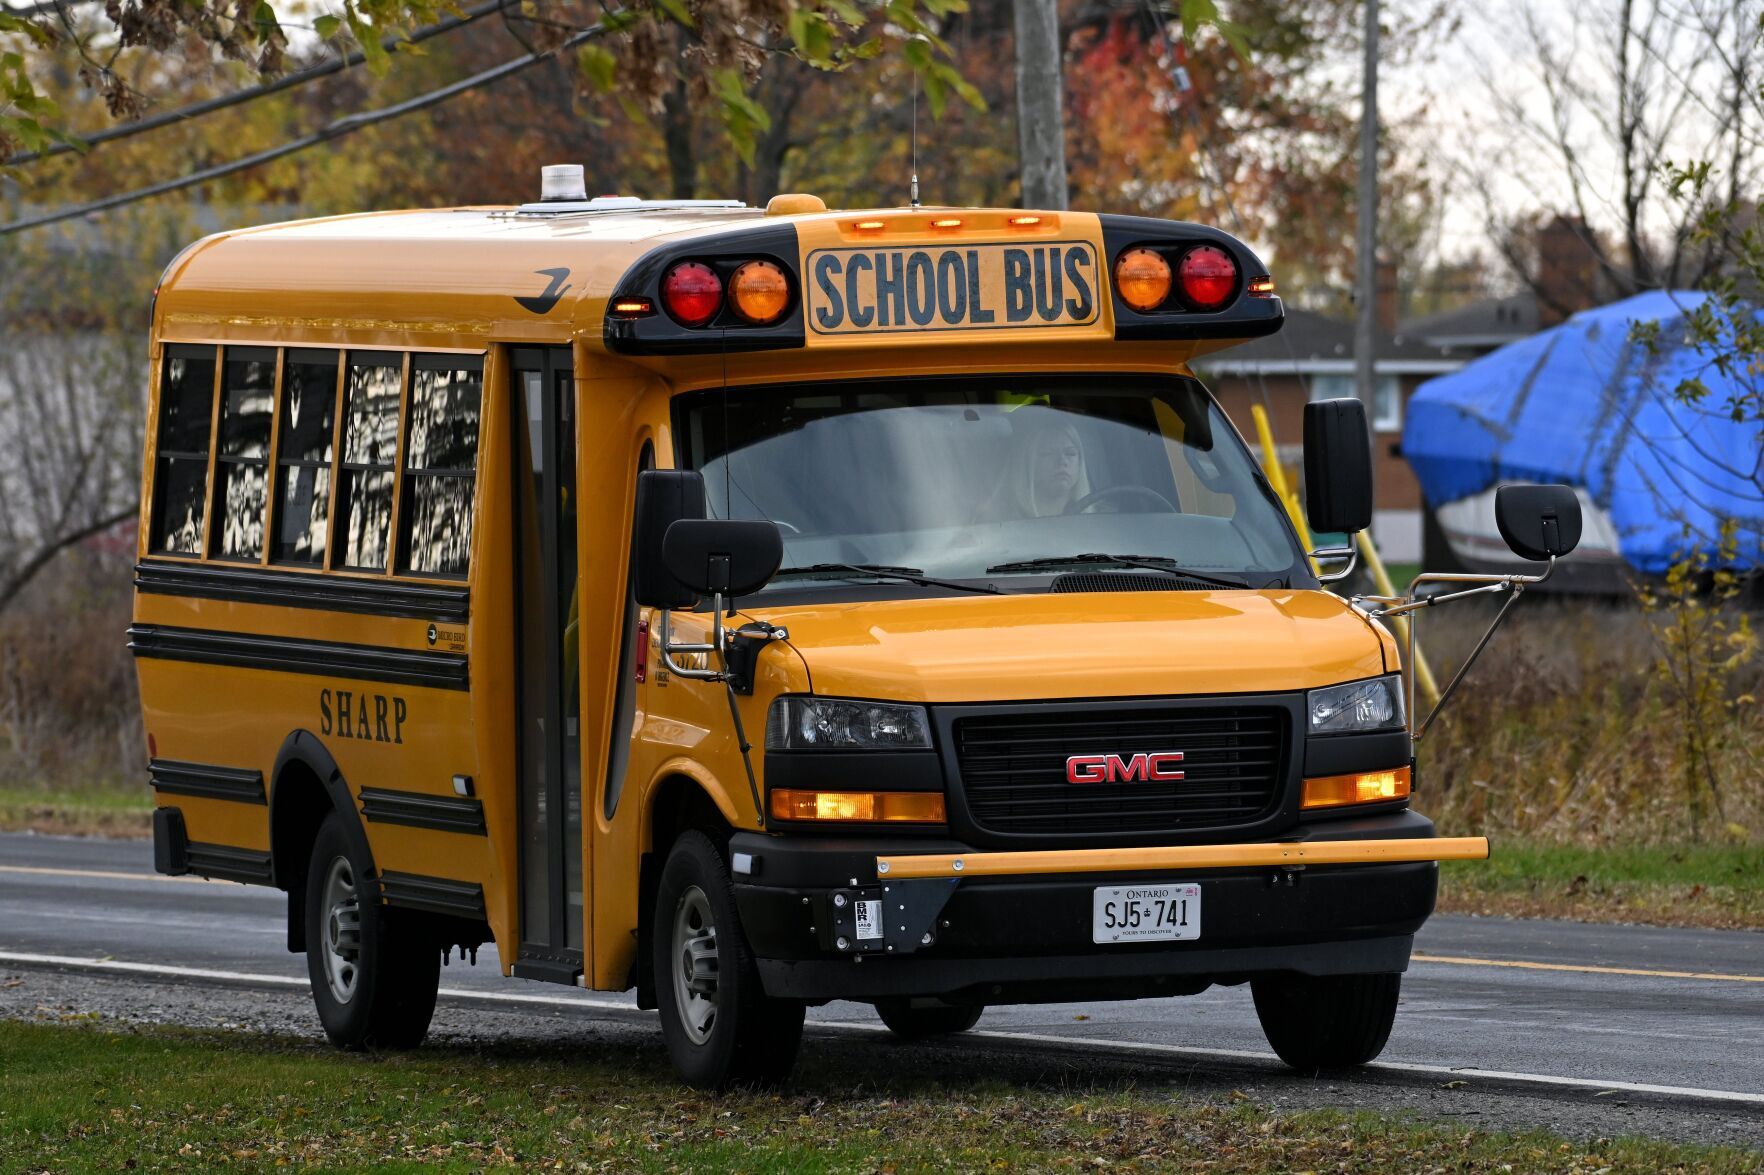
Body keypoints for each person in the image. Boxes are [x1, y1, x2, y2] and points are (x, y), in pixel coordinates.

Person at [976, 409, 1092, 521]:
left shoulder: (1101, 517)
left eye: (1070, 453)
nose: (1062, 461)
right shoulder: (1001, 523)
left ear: (1080, 463)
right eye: (1048, 453)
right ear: (1026, 463)